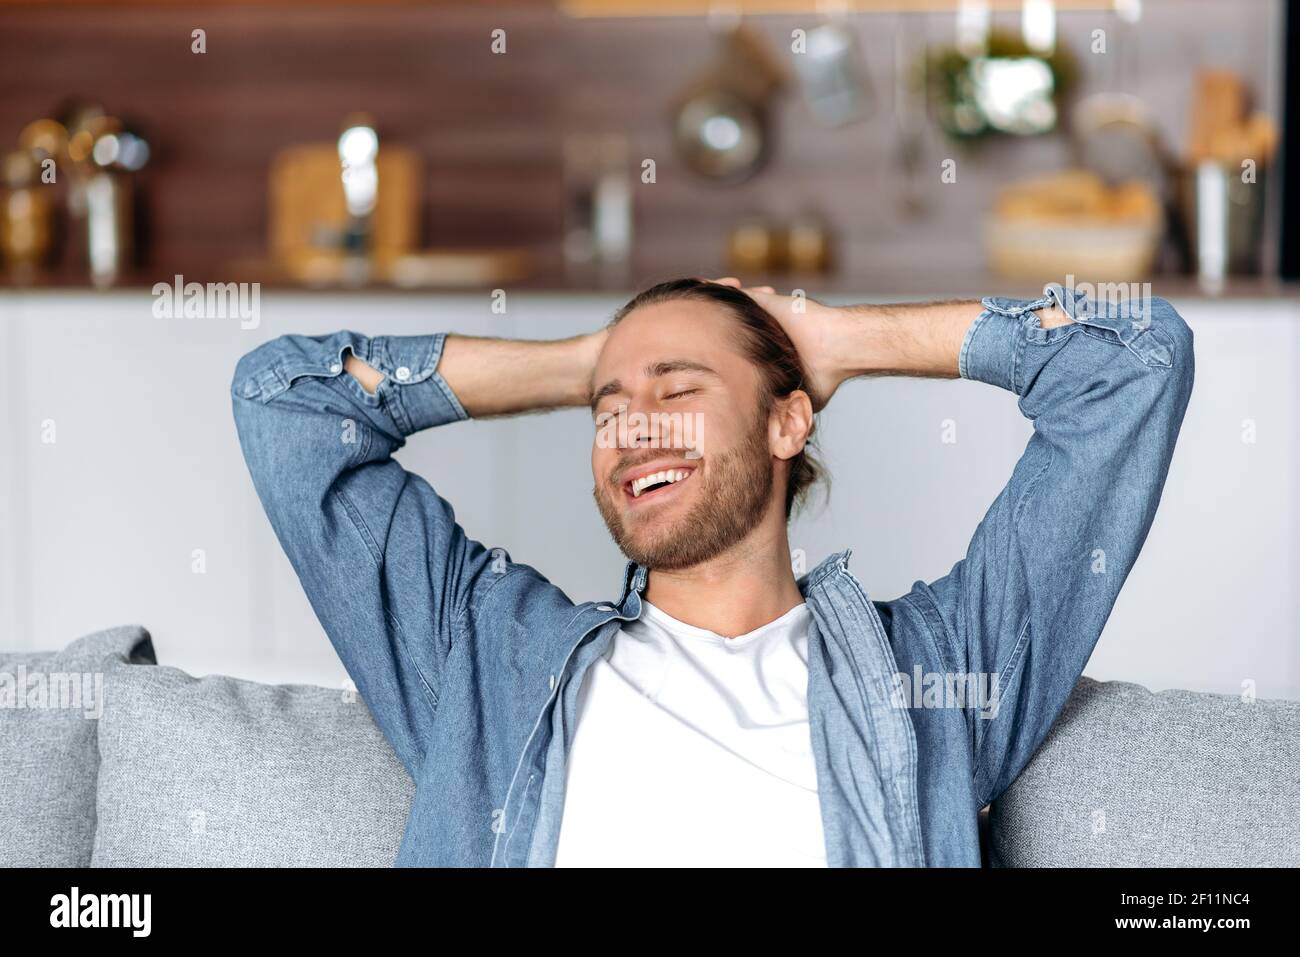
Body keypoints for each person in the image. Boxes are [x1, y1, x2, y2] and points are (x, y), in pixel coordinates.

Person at [230, 276, 1193, 866]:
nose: (633, 425)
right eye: (608, 412)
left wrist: (845, 341)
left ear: (787, 422)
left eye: (679, 390)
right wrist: (582, 362)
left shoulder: (931, 679)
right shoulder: (488, 660)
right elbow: (286, 403)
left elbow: (1137, 357)